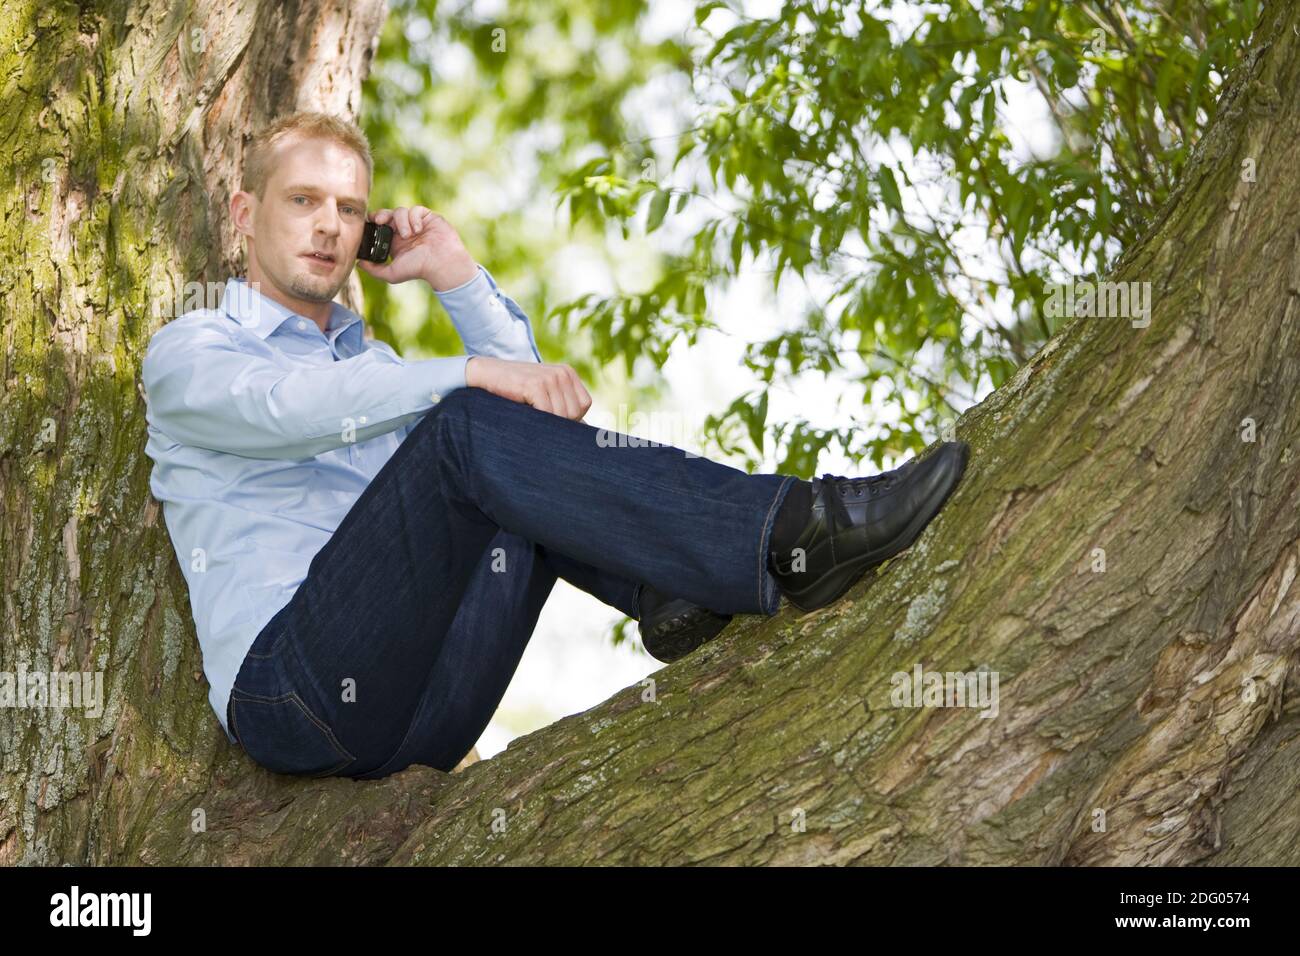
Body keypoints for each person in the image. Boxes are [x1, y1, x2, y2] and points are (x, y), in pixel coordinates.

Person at [140, 111, 969, 780]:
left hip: (425, 709)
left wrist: (457, 277)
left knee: (500, 448)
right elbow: (293, 409)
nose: (329, 226)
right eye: (303, 200)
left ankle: (666, 593)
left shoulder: (382, 368)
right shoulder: (194, 351)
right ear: (246, 213)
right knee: (467, 426)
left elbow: (541, 438)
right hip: (293, 695)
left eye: (349, 210)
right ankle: (796, 527)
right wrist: (468, 374)